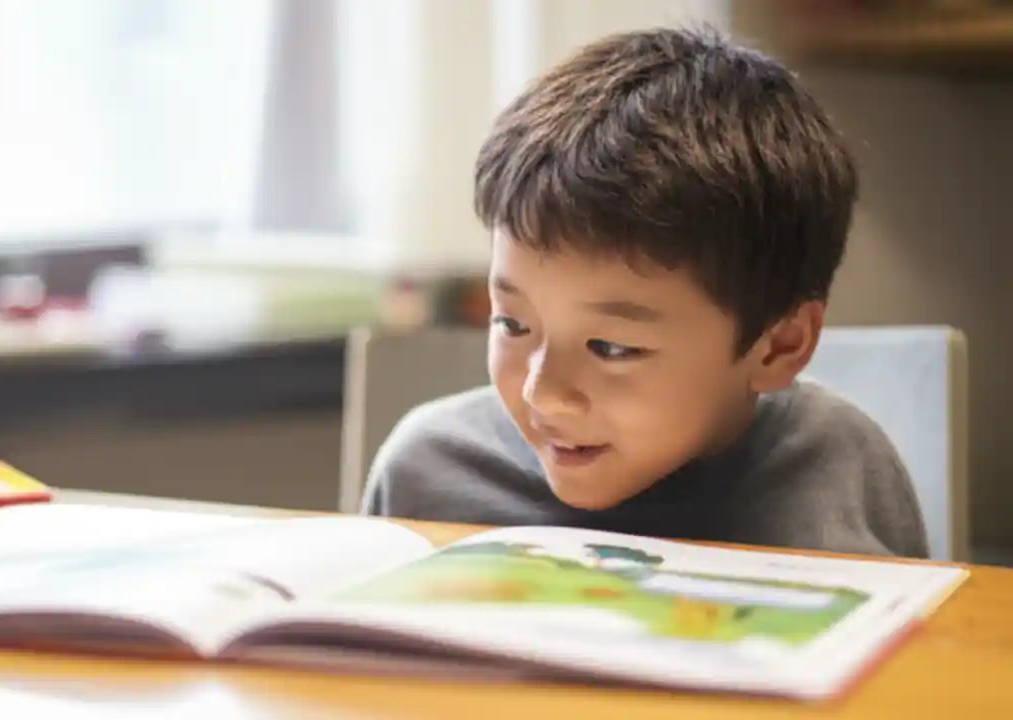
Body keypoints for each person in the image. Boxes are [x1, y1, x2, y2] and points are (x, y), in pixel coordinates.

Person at [362, 27, 927, 558]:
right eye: (512, 323)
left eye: (610, 347)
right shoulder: (428, 473)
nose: (543, 395)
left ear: (778, 346)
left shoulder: (841, 470)